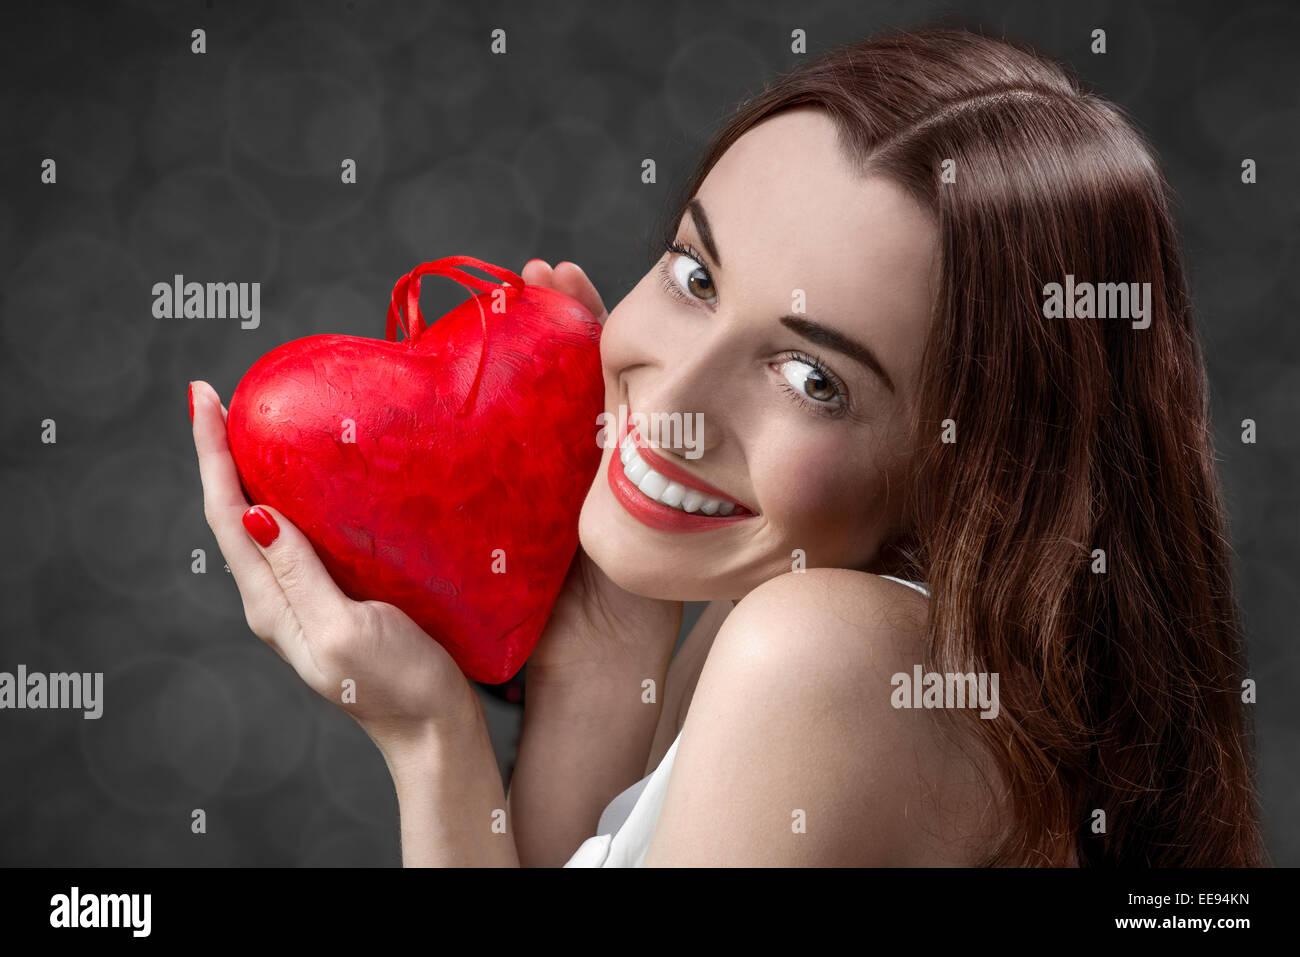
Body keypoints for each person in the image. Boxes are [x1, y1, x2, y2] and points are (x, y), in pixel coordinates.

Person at [190, 28, 1266, 867]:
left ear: (979, 467)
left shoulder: (816, 654)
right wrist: (607, 639)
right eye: (695, 276)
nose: (671, 402)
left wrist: (430, 742)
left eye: (812, 378)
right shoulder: (808, 623)